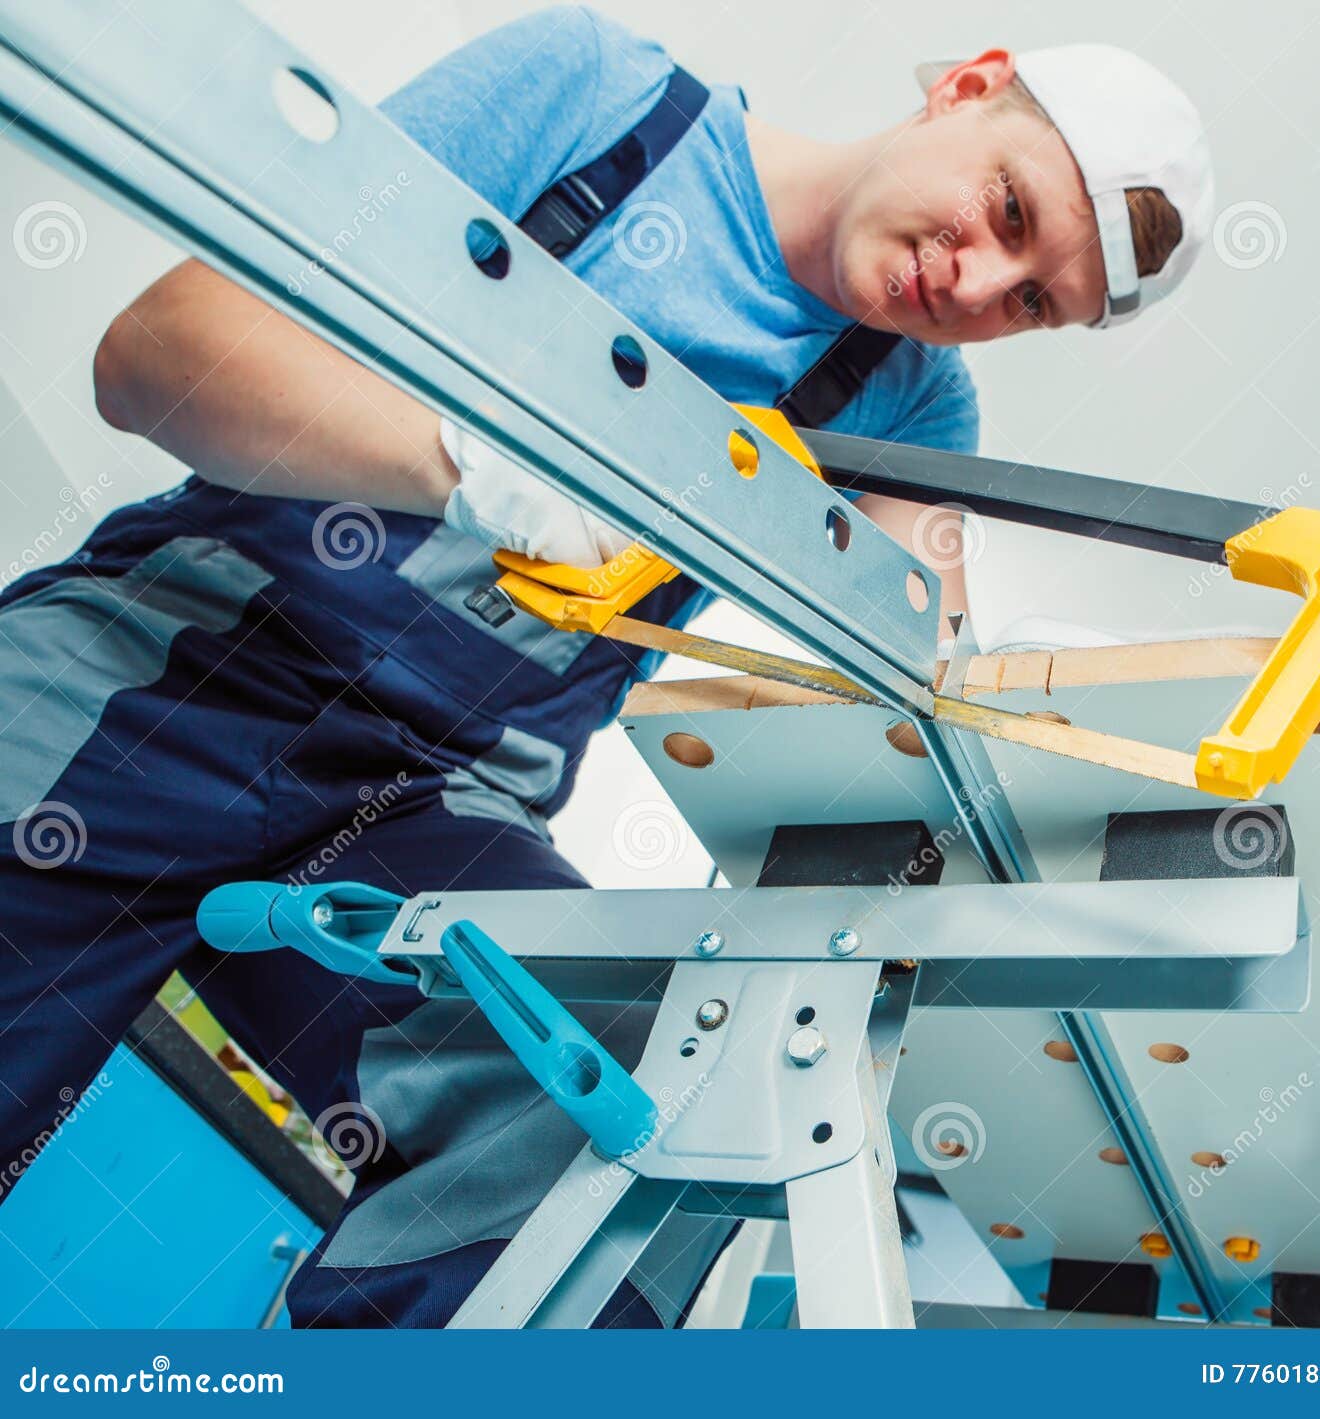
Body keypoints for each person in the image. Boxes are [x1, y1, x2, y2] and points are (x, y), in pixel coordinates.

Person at [0, 6, 1212, 1327]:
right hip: (170, 657)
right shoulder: (600, 103)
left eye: (1031, 302)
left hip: (428, 808)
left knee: (657, 1108)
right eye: (1010, 213)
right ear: (970, 88)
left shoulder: (912, 402)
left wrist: (1156, 708)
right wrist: (472, 470)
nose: (977, 287)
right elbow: (160, 356)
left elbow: (934, 691)